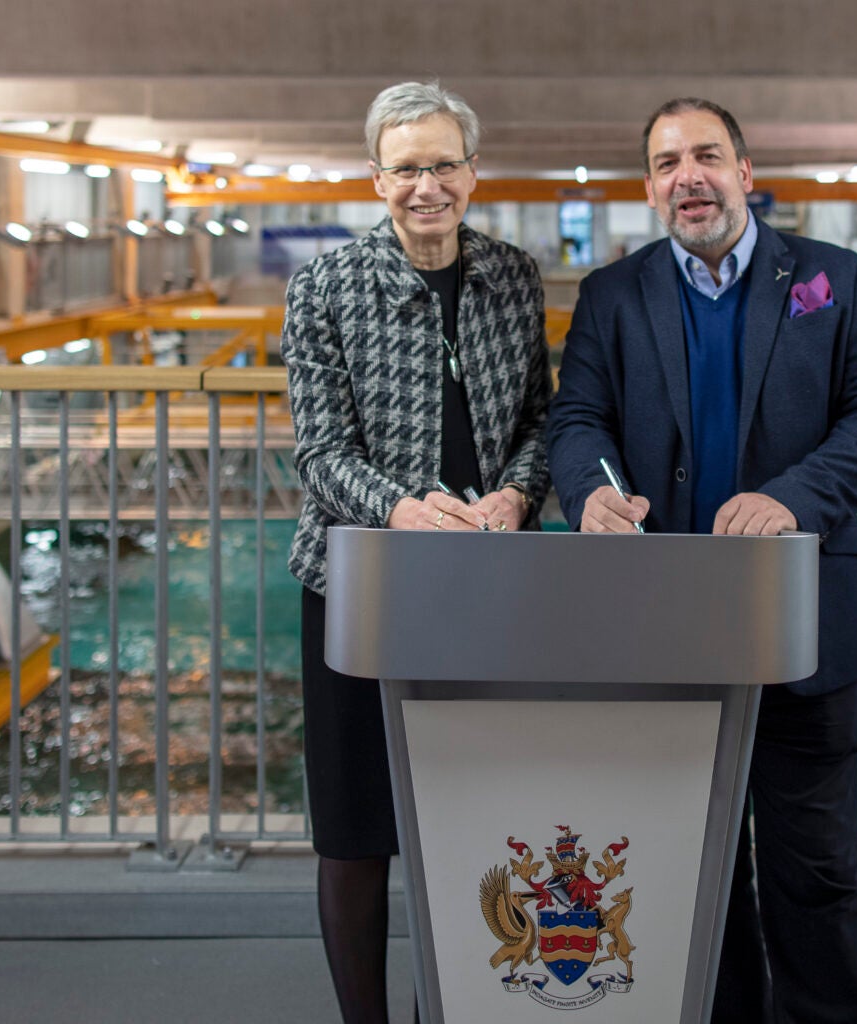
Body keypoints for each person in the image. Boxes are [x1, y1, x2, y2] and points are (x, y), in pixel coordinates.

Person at [546, 97, 857, 1023]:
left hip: (806, 626)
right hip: (665, 635)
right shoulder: (611, 295)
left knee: (817, 873)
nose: (689, 177)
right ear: (650, 190)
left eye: (707, 156)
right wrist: (590, 492)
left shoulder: (834, 278)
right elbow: (578, 419)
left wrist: (795, 498)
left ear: (745, 173)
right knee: (690, 873)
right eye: (667, 163)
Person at [281, 80, 551, 1024]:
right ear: (375, 179)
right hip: (362, 585)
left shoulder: (514, 277)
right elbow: (320, 453)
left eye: (442, 165)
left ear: (473, 173)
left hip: (486, 580)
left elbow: (540, 420)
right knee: (356, 833)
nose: (425, 186)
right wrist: (401, 511)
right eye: (405, 169)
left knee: (475, 821)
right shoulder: (325, 286)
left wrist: (518, 494)